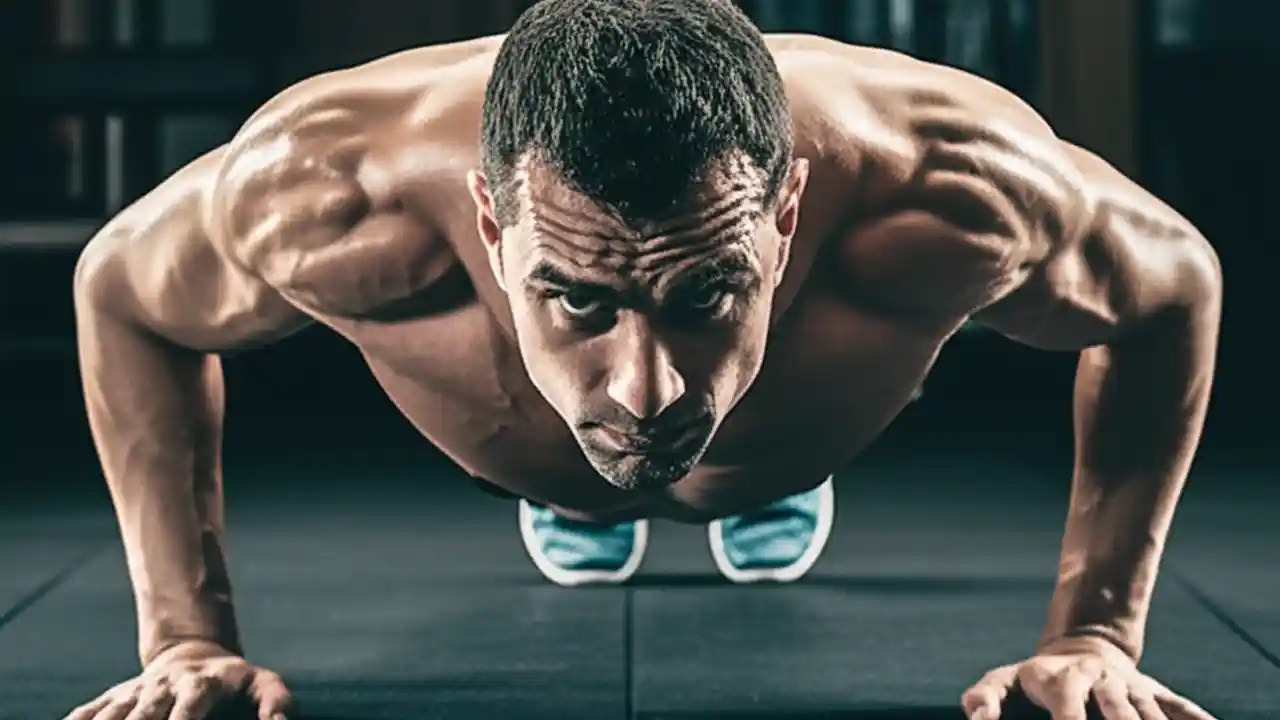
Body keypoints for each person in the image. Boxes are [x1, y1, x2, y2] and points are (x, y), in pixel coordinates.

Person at [66, 1, 1223, 719]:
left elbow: (1174, 286)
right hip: (524, 435)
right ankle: (584, 475)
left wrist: (1094, 634)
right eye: (576, 297)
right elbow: (122, 292)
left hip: (792, 413)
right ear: (486, 219)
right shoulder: (325, 192)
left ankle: (762, 455)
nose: (645, 386)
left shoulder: (946, 186)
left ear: (782, 216)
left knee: (699, 426)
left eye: (702, 291)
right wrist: (186, 637)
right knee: (623, 426)